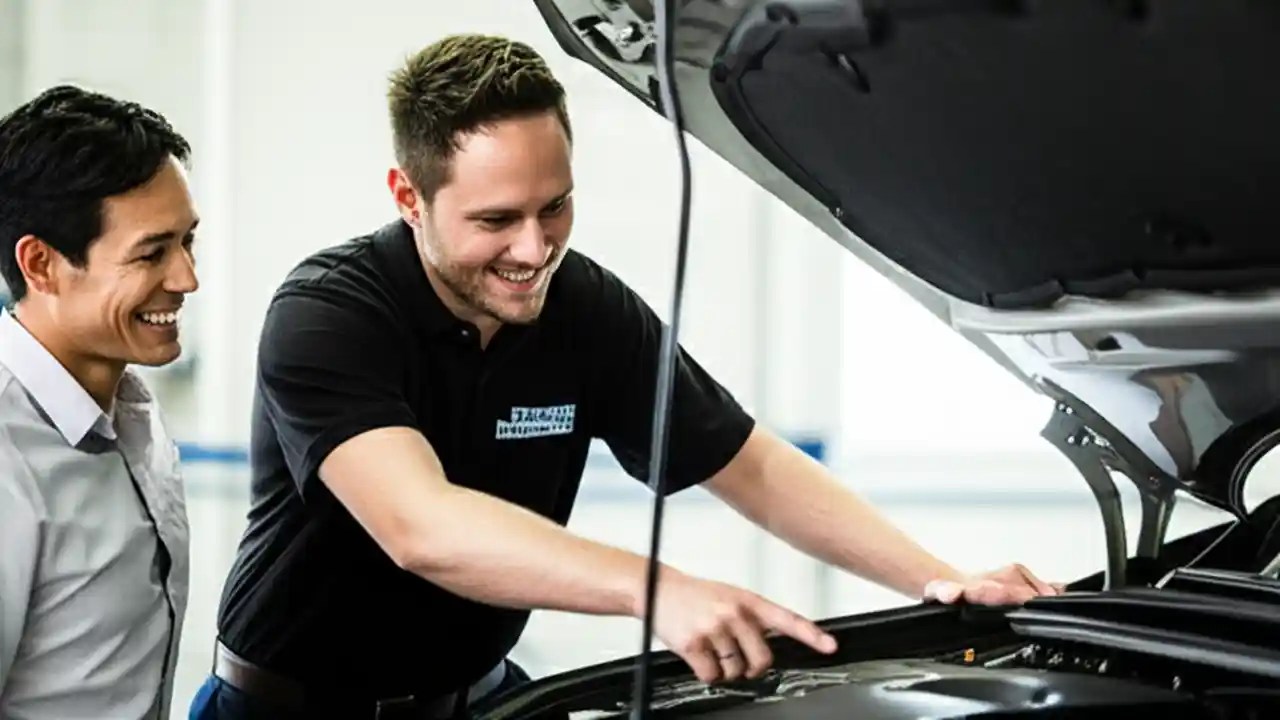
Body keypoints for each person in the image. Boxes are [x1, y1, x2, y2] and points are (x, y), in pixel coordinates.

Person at [192, 34, 1059, 719]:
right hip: (281, 710)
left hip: (483, 701)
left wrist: (938, 578)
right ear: (408, 196)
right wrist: (659, 591)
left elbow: (746, 461)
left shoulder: (584, 308)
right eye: (496, 220)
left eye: (555, 205)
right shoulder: (330, 313)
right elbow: (422, 527)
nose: (535, 251)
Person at [0, 85, 199, 718]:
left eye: (187, 241)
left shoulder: (131, 410)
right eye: (152, 253)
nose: (187, 278)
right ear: (42, 265)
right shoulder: (8, 455)